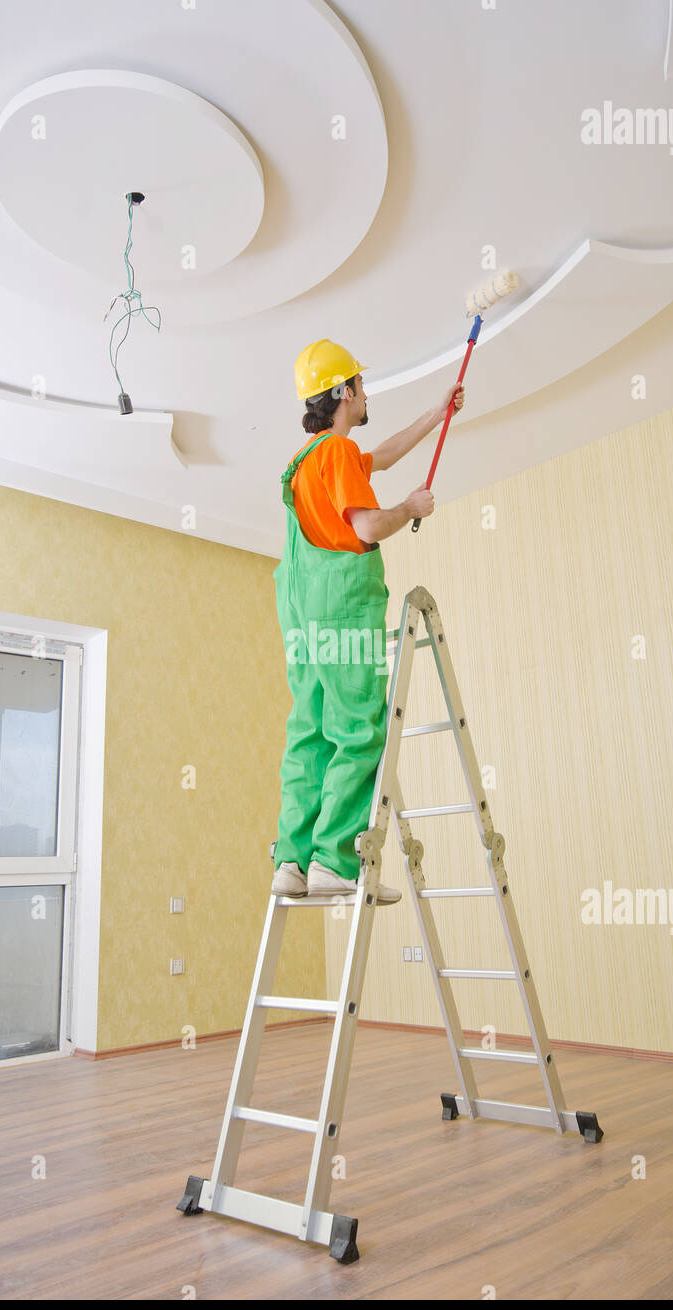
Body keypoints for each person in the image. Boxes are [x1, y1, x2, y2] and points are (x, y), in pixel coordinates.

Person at [271, 338, 464, 901]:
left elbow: (382, 453)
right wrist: (409, 508)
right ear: (345, 392)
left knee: (310, 731)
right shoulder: (333, 455)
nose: (365, 392)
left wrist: (438, 412)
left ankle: (293, 860)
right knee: (359, 728)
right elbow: (365, 528)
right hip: (341, 608)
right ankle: (334, 860)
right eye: (360, 384)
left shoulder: (305, 462)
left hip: (302, 612)